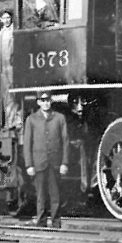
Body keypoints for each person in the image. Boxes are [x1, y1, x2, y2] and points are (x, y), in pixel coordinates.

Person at [22, 91, 69, 228]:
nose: (46, 103)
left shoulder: (60, 118)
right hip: (39, 162)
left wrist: (64, 163)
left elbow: (65, 141)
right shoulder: (31, 119)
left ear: (51, 101)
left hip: (55, 163)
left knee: (55, 195)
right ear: (38, 102)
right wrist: (29, 165)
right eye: (43, 100)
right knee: (41, 195)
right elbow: (27, 143)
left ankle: (56, 222)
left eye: (48, 100)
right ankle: (41, 222)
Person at [0, 10, 21, 127]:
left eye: (8, 17)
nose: (6, 20)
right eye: (4, 18)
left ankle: (17, 120)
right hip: (3, 68)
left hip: (13, 66)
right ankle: (10, 121)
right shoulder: (1, 33)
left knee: (15, 94)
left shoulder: (14, 31)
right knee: (7, 95)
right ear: (1, 20)